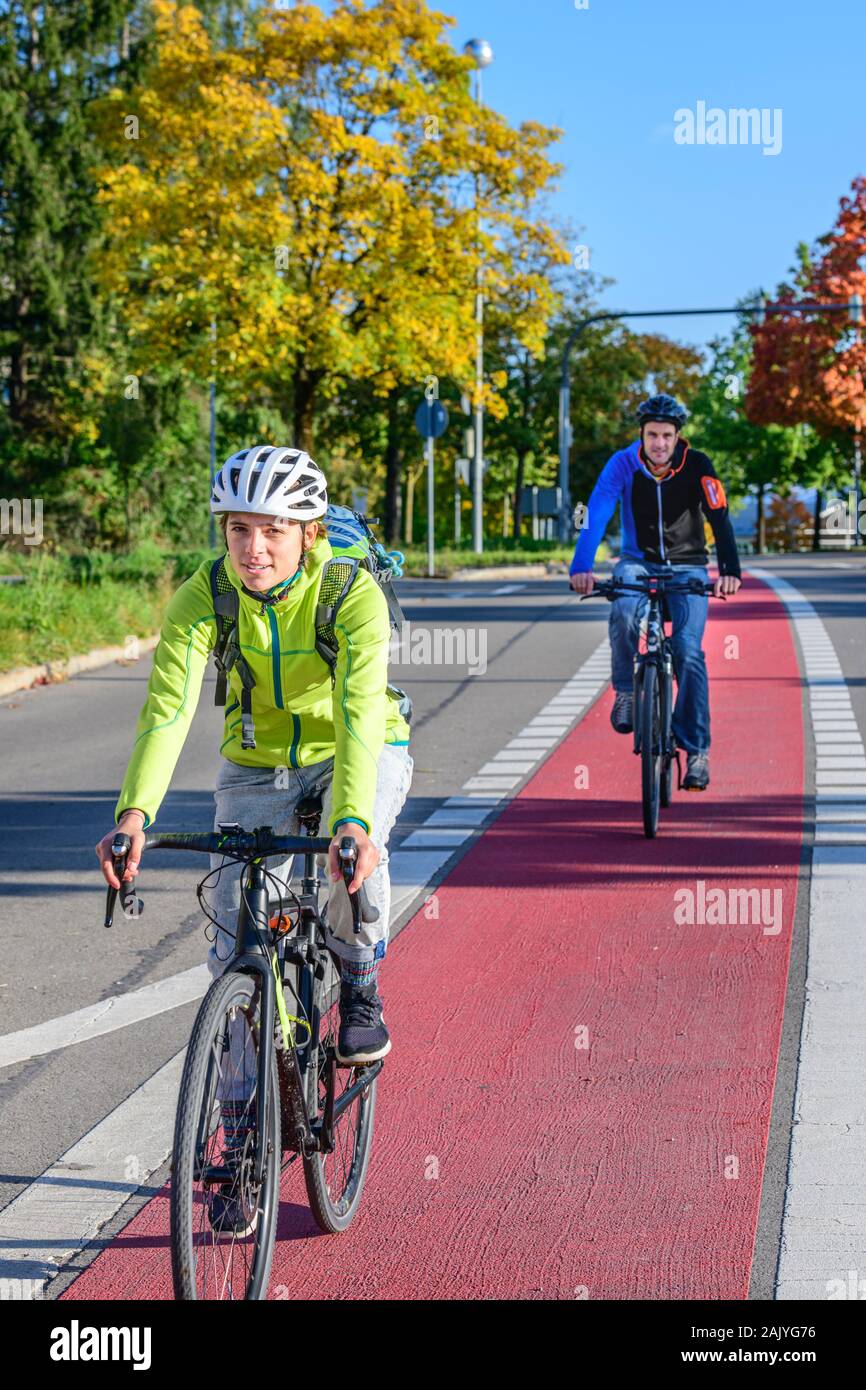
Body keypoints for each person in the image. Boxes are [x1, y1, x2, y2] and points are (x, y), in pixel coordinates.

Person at [96, 444, 413, 1067]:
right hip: (257, 758)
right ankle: (241, 1114)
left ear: (309, 532)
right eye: (239, 530)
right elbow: (168, 709)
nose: (254, 549)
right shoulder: (205, 594)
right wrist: (133, 817)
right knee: (233, 931)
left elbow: (357, 715)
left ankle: (358, 987)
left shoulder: (351, 594)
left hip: (362, 742)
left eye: (274, 530)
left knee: (354, 861)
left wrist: (351, 821)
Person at [568, 394, 741, 790]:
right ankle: (626, 692)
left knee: (688, 651)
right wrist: (581, 567)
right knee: (624, 609)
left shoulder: (699, 465)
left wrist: (730, 570)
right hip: (637, 561)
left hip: (689, 566)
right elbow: (596, 511)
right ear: (641, 436)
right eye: (651, 435)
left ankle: (696, 751)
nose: (659, 443)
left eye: (666, 435)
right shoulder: (622, 464)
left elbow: (719, 514)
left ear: (678, 437)